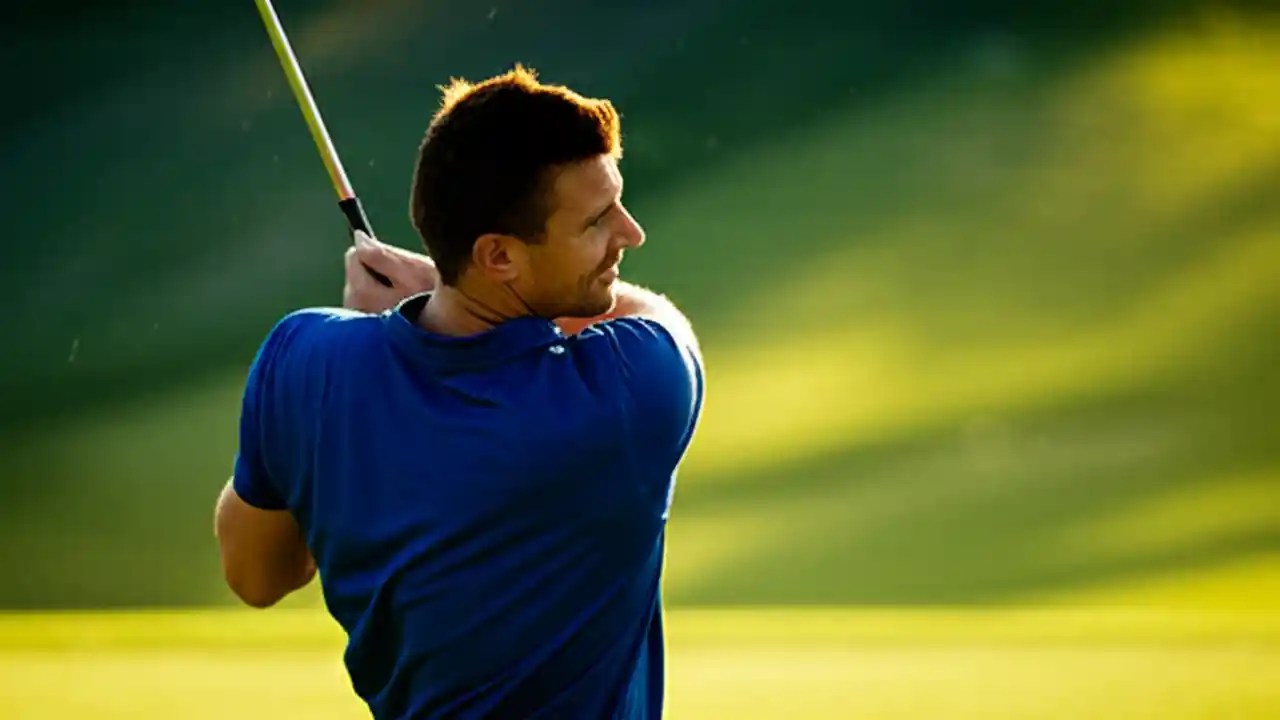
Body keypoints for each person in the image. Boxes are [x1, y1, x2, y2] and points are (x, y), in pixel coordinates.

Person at [213, 65, 704, 720]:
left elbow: (258, 575)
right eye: (595, 222)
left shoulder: (303, 359)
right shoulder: (631, 393)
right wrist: (438, 284)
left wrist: (429, 298)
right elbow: (663, 323)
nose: (629, 232)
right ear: (498, 256)